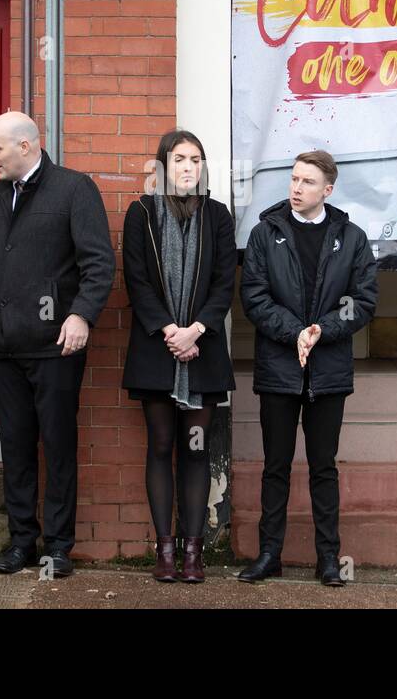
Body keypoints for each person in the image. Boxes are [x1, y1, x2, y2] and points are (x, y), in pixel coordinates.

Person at [0, 112, 114, 578]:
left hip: (56, 347)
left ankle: (59, 545)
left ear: (27, 146)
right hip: (5, 345)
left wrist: (80, 314)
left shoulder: (74, 189)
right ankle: (21, 542)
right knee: (15, 446)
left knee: (57, 445)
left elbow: (98, 262)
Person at [237, 150, 377, 586]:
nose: (296, 188)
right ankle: (268, 555)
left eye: (307, 182)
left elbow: (363, 300)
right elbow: (255, 298)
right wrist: (296, 331)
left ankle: (328, 559)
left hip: (328, 371)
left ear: (327, 190)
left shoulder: (351, 237)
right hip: (279, 368)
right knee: (275, 465)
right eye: (294, 179)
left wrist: (322, 330)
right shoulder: (265, 234)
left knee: (323, 467)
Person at [121, 130, 236, 583]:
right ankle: (164, 549)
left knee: (196, 449)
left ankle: (193, 550)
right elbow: (136, 280)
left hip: (202, 350)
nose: (189, 166)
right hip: (157, 348)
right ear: (164, 166)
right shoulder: (142, 214)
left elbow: (224, 282)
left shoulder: (218, 216)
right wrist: (171, 330)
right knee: (161, 445)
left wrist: (196, 331)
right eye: (180, 158)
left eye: (195, 159)